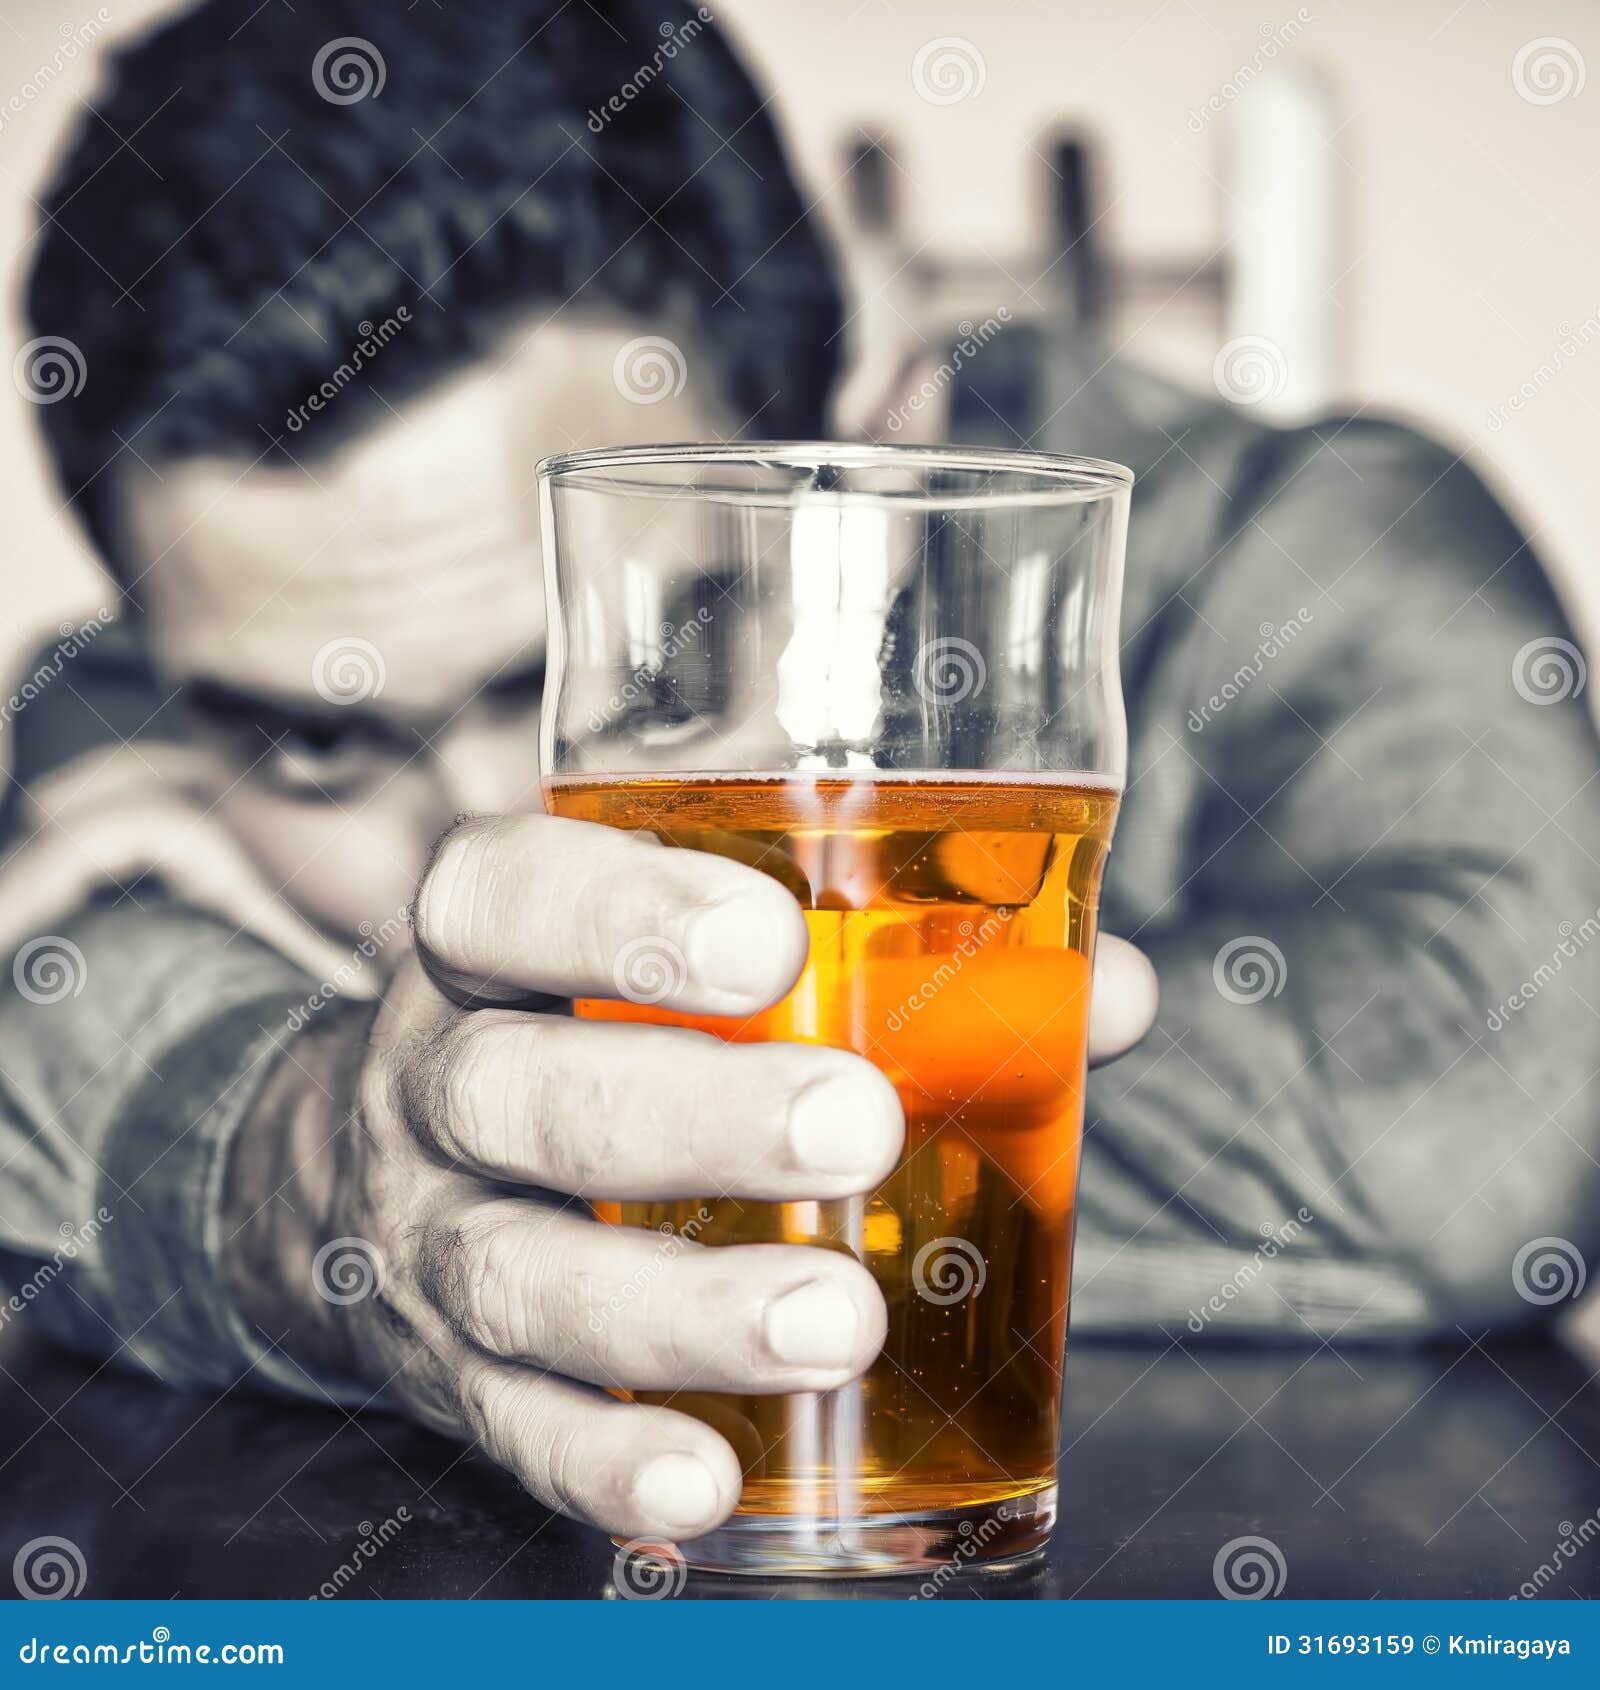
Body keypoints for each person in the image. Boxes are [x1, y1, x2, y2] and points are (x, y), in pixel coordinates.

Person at [2, 0, 1596, 1544]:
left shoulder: (1314, 543)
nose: (496, 853)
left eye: (648, 662)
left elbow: (1491, 1120)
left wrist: (460, 1144)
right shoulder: (138, 692)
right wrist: (332, 1166)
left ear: (870, 435)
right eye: (317, 740)